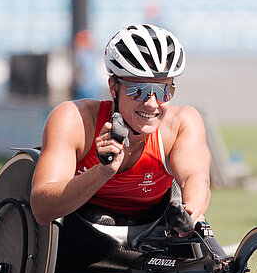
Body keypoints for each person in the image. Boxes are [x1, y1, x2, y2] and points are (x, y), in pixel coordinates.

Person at [30, 23, 211, 238]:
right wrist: (102, 171)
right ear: (114, 87)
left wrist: (191, 212)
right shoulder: (74, 120)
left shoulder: (181, 123)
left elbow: (196, 178)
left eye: (164, 90)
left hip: (151, 231)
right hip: (78, 232)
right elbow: (41, 209)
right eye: (139, 90)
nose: (152, 103)